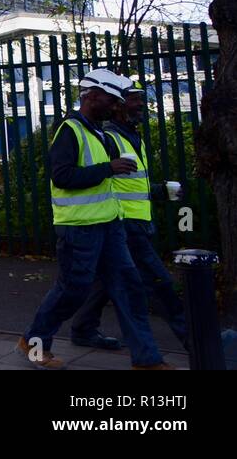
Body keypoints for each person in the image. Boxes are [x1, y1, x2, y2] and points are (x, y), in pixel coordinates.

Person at [18, 69, 172, 369]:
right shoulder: (69, 130)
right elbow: (62, 177)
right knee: (71, 292)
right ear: (91, 97)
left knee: (130, 289)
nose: (116, 106)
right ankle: (32, 343)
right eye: (110, 100)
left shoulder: (97, 131)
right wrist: (108, 168)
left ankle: (147, 360)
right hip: (79, 229)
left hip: (109, 225)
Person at [69, 79, 189, 351]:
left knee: (106, 280)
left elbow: (131, 181)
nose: (141, 104)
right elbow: (103, 177)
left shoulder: (131, 136)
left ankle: (83, 328)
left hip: (136, 221)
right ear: (118, 105)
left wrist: (159, 191)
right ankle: (197, 340)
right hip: (124, 222)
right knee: (159, 283)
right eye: (134, 99)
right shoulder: (109, 137)